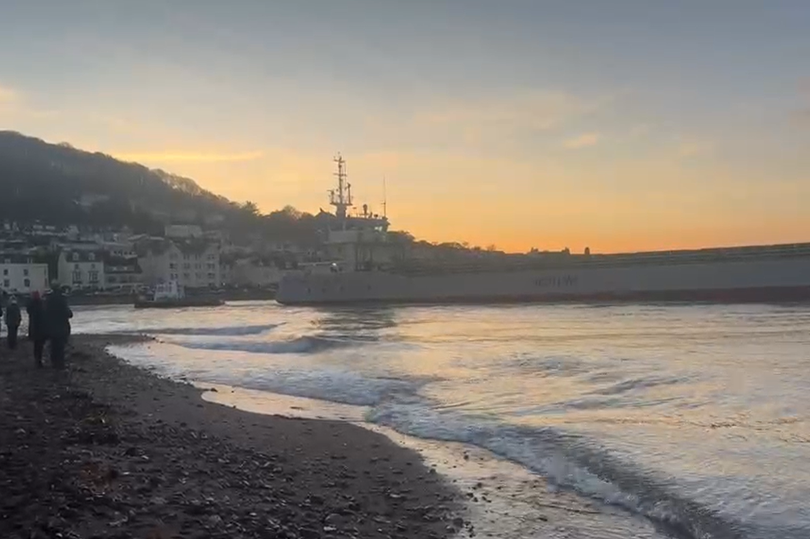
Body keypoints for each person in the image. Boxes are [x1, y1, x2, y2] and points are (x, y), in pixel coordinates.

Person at [44, 284, 72, 369]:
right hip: (62, 327)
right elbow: (68, 314)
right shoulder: (62, 299)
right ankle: (60, 364)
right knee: (60, 347)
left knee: (53, 346)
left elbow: (45, 313)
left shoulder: (48, 299)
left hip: (51, 327)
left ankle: (54, 363)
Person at [26, 291, 46, 367]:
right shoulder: (41, 305)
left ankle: (37, 359)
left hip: (33, 328)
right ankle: (39, 360)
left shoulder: (30, 305)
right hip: (41, 328)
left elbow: (28, 311)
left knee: (36, 345)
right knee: (40, 346)